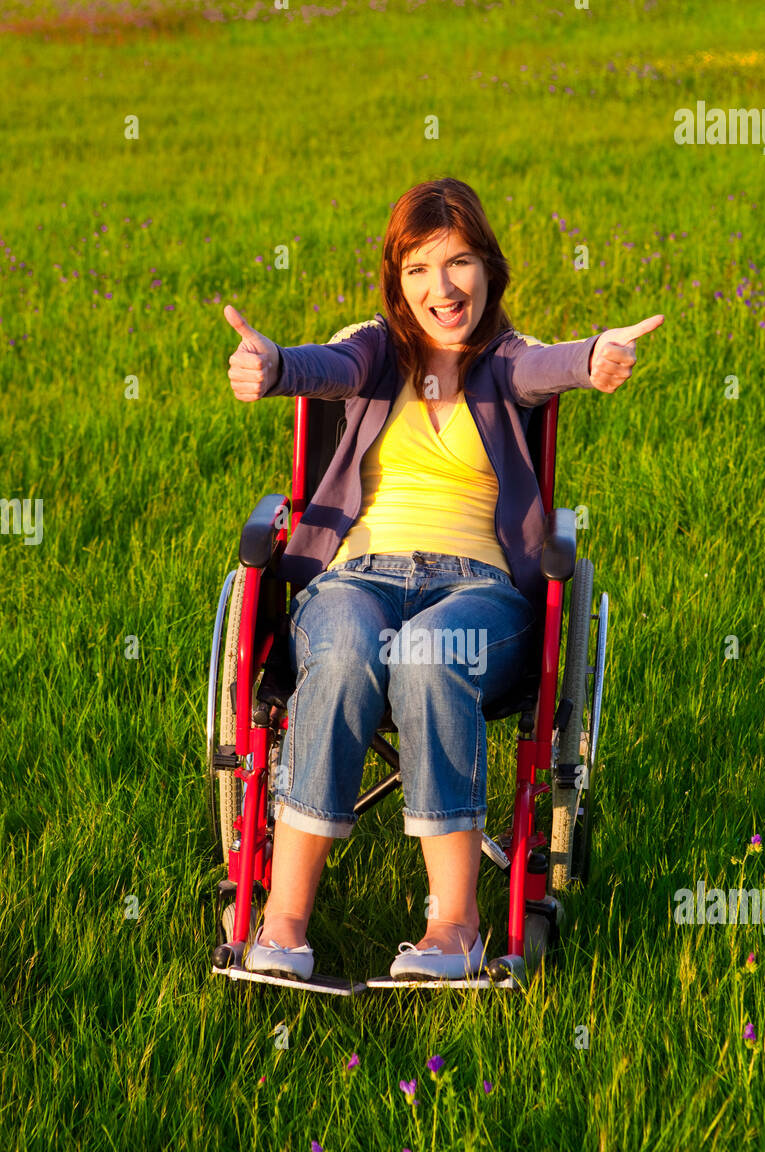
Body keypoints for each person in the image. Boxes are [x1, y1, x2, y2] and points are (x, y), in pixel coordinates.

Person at [225, 176, 662, 981]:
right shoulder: (374, 348)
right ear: (397, 280)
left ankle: (454, 929)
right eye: (419, 268)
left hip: (479, 590)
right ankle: (281, 923)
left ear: (488, 269)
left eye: (458, 263)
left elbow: (546, 371)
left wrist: (594, 356)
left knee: (429, 652)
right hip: (356, 577)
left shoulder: (505, 361)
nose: (442, 287)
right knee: (351, 644)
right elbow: (324, 370)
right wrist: (275, 366)